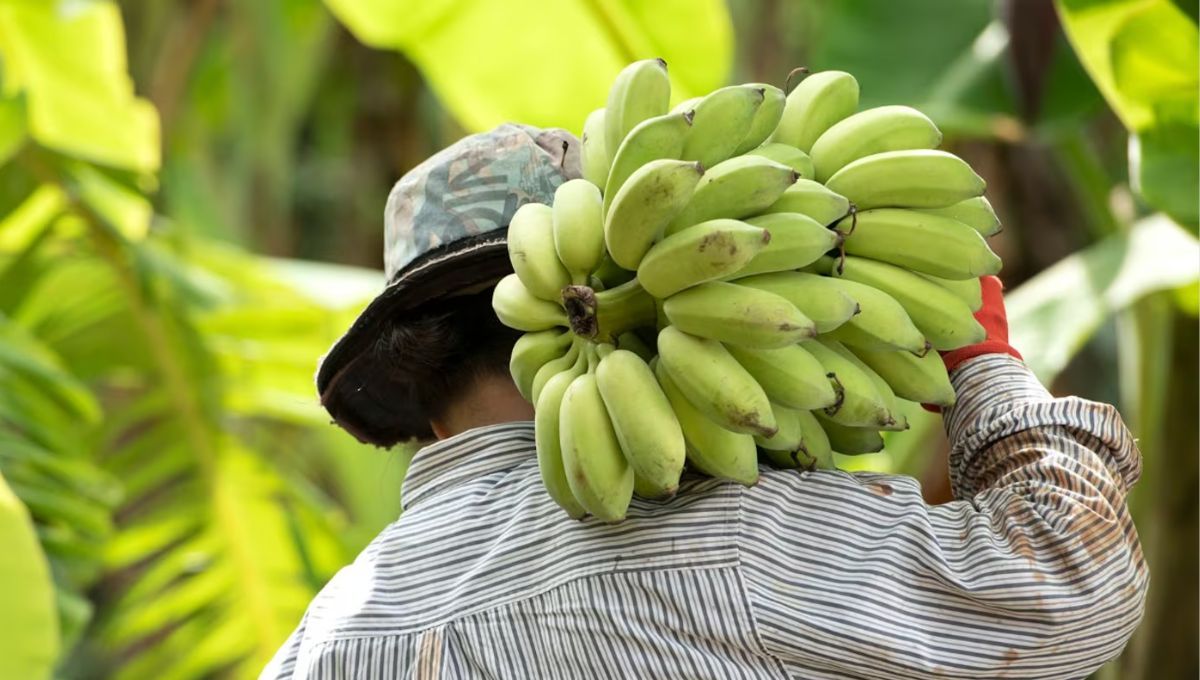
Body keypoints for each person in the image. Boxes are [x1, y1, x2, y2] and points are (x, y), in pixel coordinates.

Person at [261, 124, 1147, 679]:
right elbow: (1072, 587)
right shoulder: (725, 536)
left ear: (411, 383)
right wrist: (984, 360)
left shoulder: (318, 640)